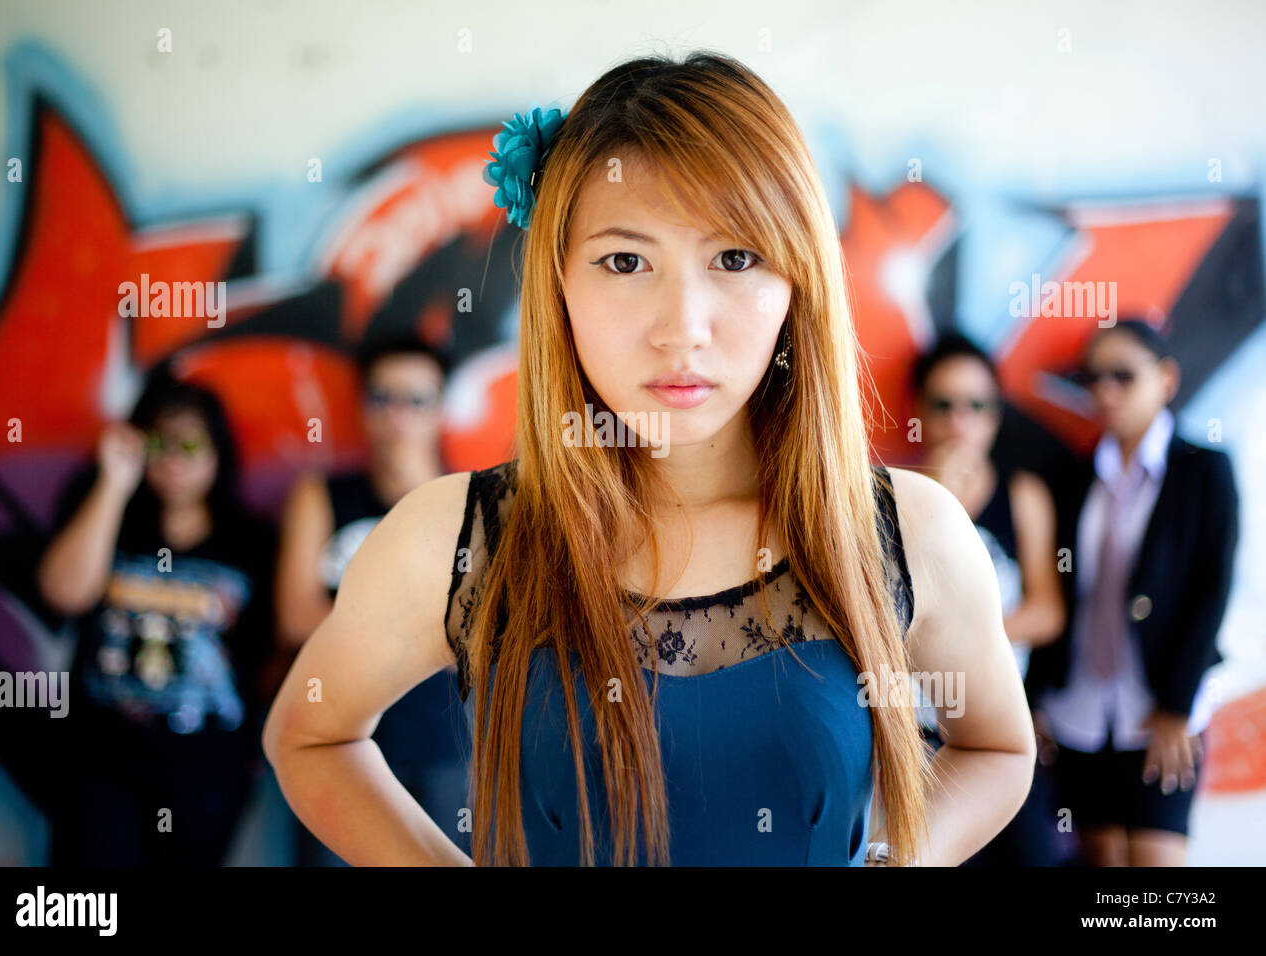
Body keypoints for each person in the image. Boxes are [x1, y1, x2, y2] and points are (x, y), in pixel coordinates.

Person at [263, 51, 1036, 867]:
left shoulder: (901, 533)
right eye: (625, 262)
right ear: (557, 282)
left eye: (736, 258)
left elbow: (997, 749)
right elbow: (311, 736)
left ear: (799, 279)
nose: (683, 327)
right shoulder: (462, 540)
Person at [35, 373, 276, 865]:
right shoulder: (108, 518)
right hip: (101, 759)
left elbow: (273, 651)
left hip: (207, 766)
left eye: (192, 443)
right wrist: (112, 486)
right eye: (159, 443)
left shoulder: (252, 541)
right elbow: (63, 594)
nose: (175, 458)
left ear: (218, 451)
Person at [1031, 319, 1239, 866]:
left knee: (1158, 874)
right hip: (1078, 709)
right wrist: (1037, 696)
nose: (1105, 391)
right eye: (1093, 377)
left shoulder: (1203, 472)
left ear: (1166, 378)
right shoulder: (1074, 478)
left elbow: (1211, 590)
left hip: (1159, 709)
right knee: (1102, 865)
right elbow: (1060, 592)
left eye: (1123, 375)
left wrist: (1177, 705)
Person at [274, 334, 470, 864]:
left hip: (448, 747)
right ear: (362, 407)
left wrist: (356, 632)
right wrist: (426, 636)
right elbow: (295, 618)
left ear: (439, 410)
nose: (398, 416)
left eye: (416, 400)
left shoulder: (474, 501)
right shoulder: (323, 494)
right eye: (382, 398)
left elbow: (487, 634)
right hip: (334, 743)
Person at [909, 332, 1067, 865]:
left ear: (996, 414)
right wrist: (945, 500)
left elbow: (1047, 611)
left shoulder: (1022, 496)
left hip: (1000, 730)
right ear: (921, 411)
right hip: (915, 742)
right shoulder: (897, 494)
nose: (962, 420)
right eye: (944, 404)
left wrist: (961, 643)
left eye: (978, 405)